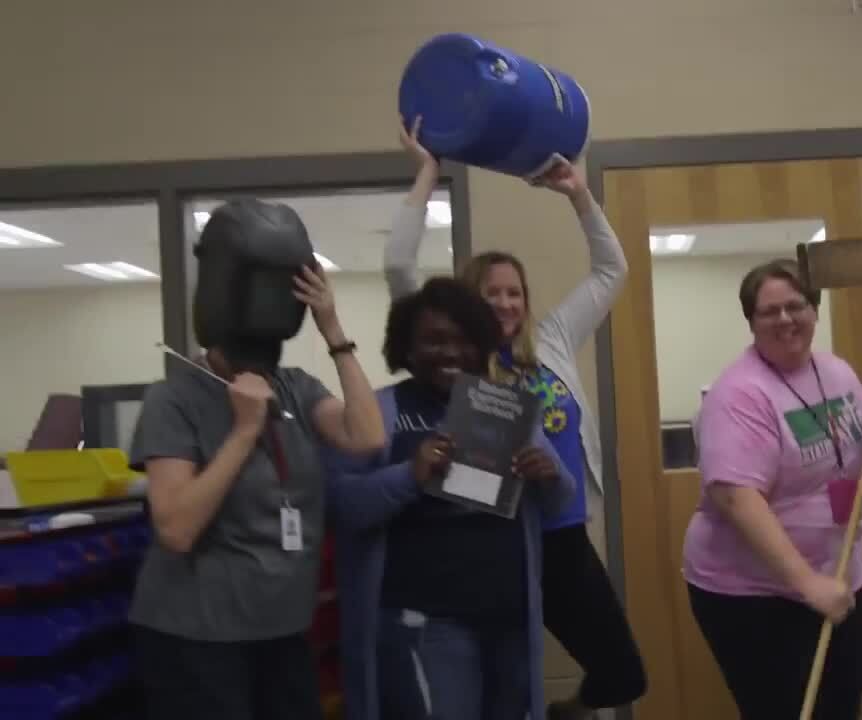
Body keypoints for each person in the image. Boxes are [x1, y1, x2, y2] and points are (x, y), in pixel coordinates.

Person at [385, 116, 645, 719]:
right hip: (499, 539)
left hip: (565, 537)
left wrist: (578, 194)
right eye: (491, 292)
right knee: (506, 687)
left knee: (623, 671)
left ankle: (569, 712)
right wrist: (428, 174)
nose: (505, 302)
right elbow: (400, 267)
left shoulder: (552, 340)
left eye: (514, 293)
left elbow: (613, 272)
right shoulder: (455, 359)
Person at [128, 200, 385, 720]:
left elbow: (367, 437)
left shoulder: (295, 388)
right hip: (196, 639)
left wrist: (333, 330)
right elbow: (176, 528)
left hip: (281, 632)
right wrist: (244, 434)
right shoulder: (174, 400)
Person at [329, 276, 576, 720]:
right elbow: (344, 507)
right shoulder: (381, 410)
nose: (451, 352)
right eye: (434, 340)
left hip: (509, 620)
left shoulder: (505, 406)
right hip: (426, 623)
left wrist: (549, 474)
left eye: (464, 340)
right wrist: (411, 474)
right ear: (406, 347)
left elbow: (559, 504)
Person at [683, 258, 862, 720]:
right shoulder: (740, 393)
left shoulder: (834, 371)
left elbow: (861, 461)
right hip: (753, 593)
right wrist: (807, 584)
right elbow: (737, 499)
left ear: (814, 311)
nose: (785, 319)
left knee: (841, 706)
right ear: (752, 323)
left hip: (837, 575)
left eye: (795, 305)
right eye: (769, 311)